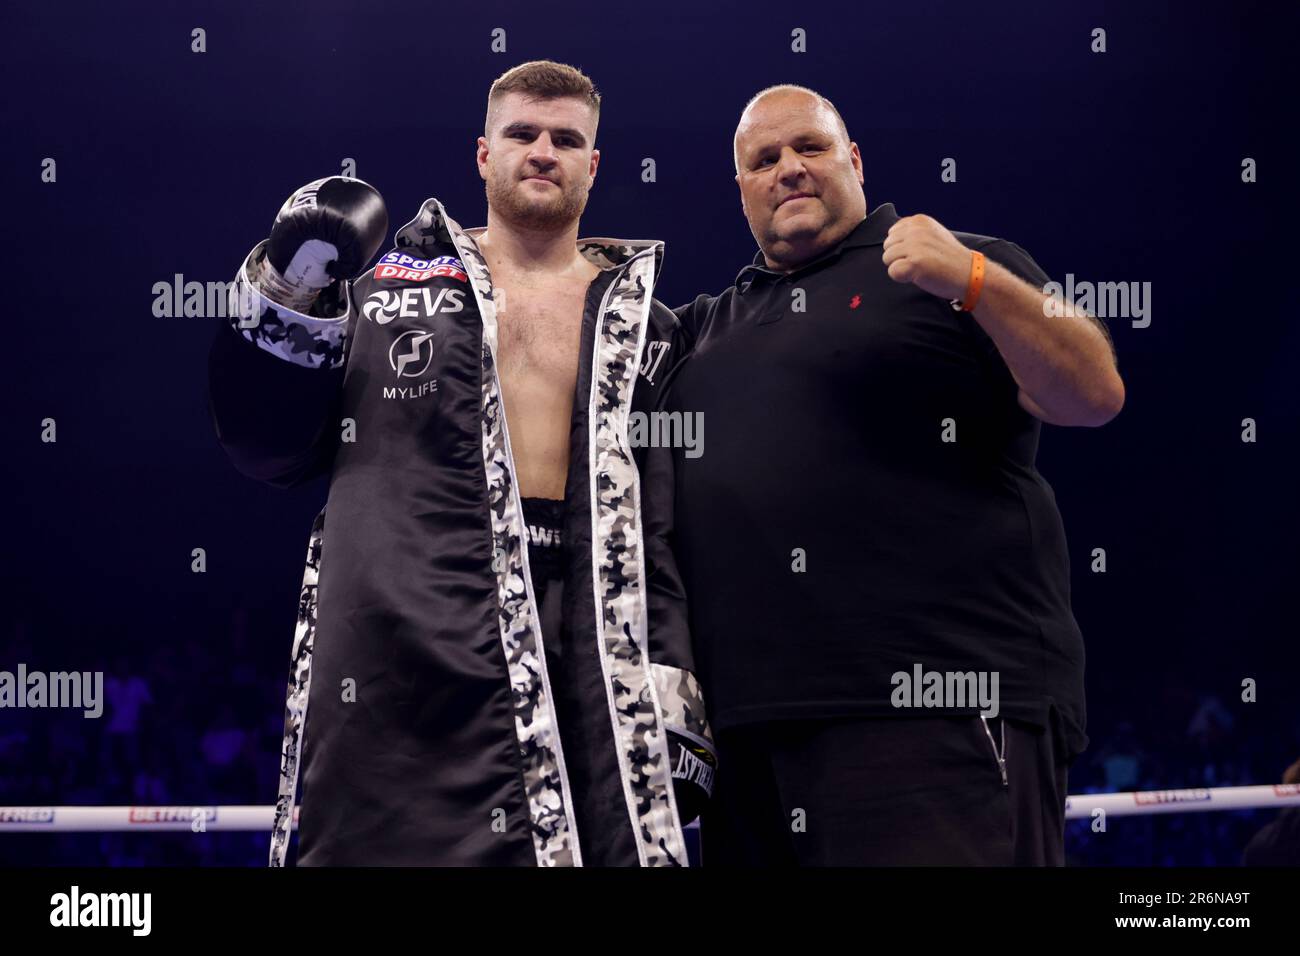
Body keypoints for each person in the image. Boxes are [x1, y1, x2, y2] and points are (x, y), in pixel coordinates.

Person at [207, 60, 714, 867]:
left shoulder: (648, 328)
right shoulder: (385, 293)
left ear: (593, 164)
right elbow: (265, 445)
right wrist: (290, 280)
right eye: (522, 134)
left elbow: (673, 523)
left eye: (565, 139)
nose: (543, 150)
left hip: (592, 633)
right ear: (484, 154)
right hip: (417, 627)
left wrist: (673, 677)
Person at [667, 84, 1124, 865]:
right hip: (748, 737)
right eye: (763, 159)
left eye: (809, 148)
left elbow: (1091, 393)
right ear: (740, 188)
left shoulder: (950, 268)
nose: (789, 169)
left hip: (937, 709)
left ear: (854, 159)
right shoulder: (704, 327)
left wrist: (974, 278)